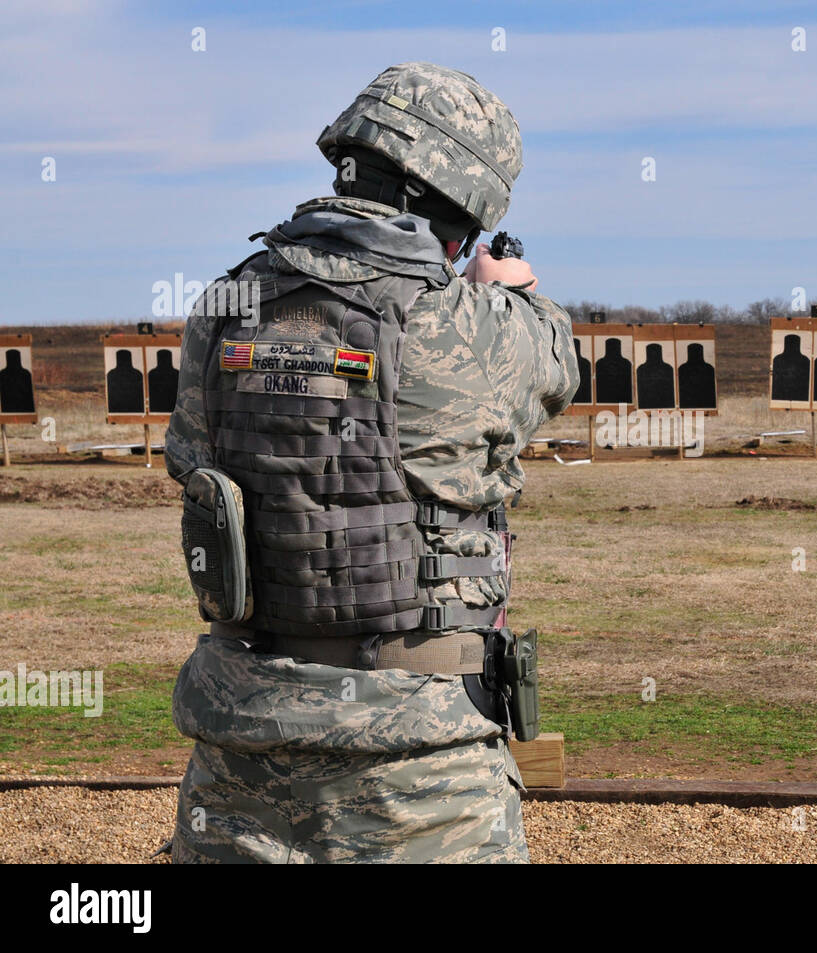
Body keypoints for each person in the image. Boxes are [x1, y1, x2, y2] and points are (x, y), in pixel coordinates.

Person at [164, 62, 579, 864]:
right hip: (421, 792)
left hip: (236, 770)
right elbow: (555, 359)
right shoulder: (470, 327)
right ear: (456, 213)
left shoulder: (221, 309)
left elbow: (196, 461)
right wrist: (514, 288)